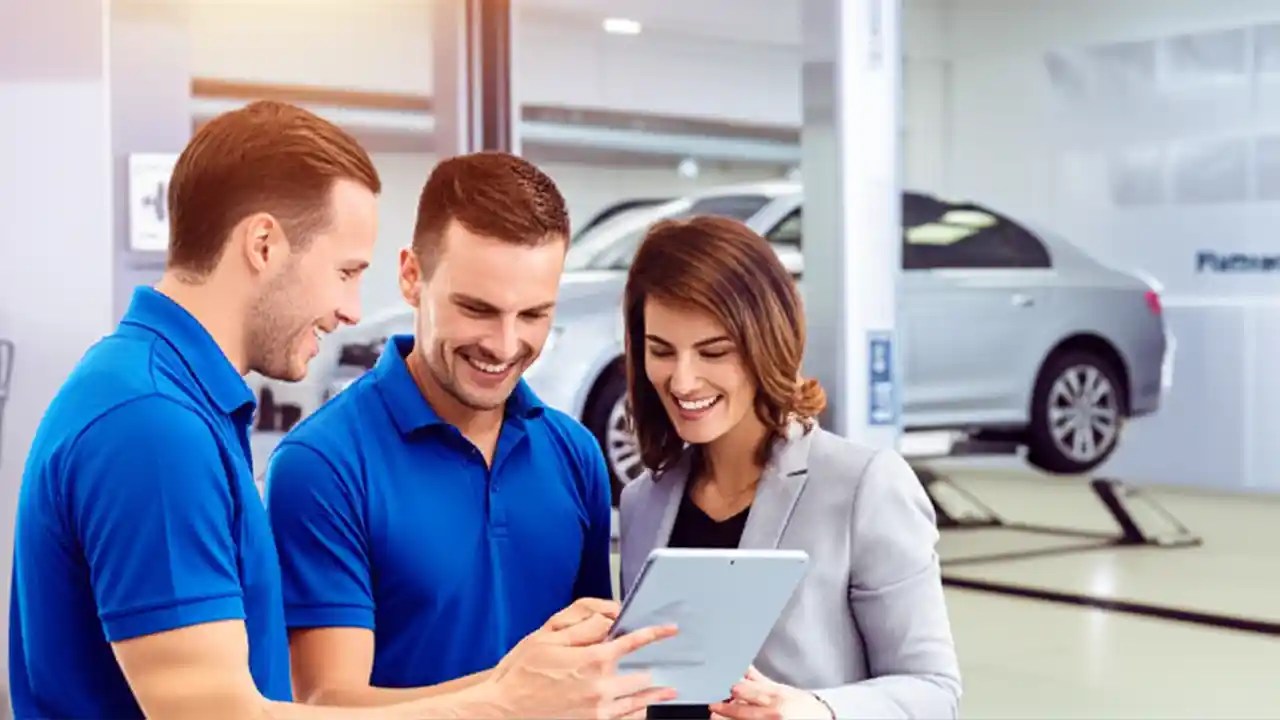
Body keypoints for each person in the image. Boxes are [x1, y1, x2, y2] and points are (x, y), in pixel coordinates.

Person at [8, 100, 675, 720]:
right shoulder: (154, 424)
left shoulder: (168, 403)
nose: (354, 310)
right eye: (347, 271)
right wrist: (503, 702)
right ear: (263, 245)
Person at [262, 151, 619, 706]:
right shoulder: (322, 466)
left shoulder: (575, 455)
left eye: (533, 315)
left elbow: (591, 677)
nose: (505, 345)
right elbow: (327, 703)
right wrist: (514, 698)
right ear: (412, 277)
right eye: (477, 309)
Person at [617, 216, 962, 719]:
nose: (683, 381)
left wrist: (814, 710)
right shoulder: (642, 503)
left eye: (714, 351)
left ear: (767, 343)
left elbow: (935, 693)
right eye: (661, 351)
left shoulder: (864, 486)